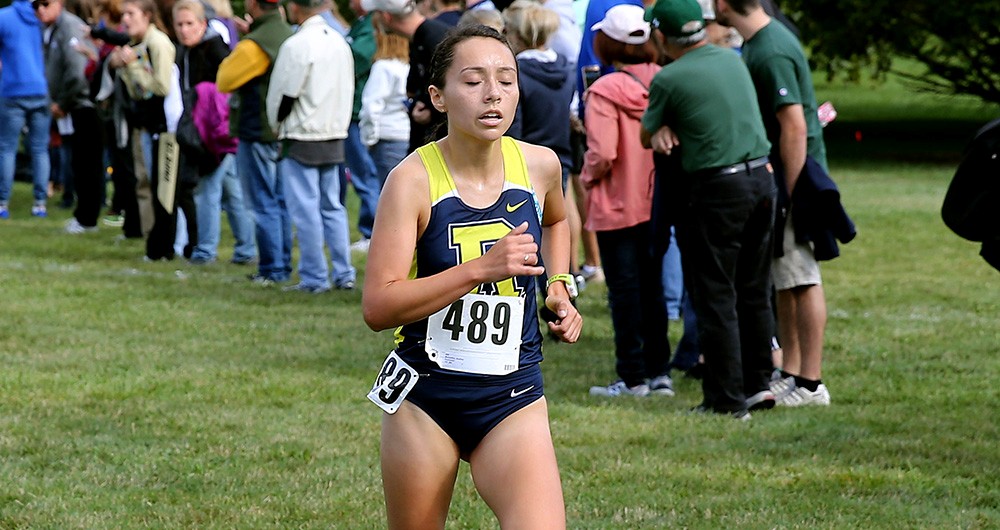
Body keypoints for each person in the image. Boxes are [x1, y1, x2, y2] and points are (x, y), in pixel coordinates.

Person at [361, 25, 582, 528]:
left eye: (506, 80)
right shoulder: (410, 181)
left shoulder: (541, 165)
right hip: (426, 396)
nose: (493, 94)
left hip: (514, 395)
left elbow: (558, 219)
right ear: (437, 97)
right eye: (474, 80)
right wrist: (480, 269)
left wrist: (559, 287)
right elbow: (378, 306)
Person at [640, 0, 776, 419]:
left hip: (718, 188)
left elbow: (647, 134)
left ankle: (726, 400)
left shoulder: (669, 78)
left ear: (661, 36)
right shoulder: (733, 60)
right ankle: (758, 385)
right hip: (762, 179)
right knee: (753, 291)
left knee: (715, 293)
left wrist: (662, 125)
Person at [715, 0, 832, 407]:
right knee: (783, 280)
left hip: (792, 180)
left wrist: (792, 193)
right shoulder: (760, 43)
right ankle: (793, 373)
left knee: (802, 277)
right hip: (779, 181)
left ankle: (812, 383)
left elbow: (795, 126)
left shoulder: (771, 49)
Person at [578, 4, 672, 397]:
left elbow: (603, 153)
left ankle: (632, 377)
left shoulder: (603, 89)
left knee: (625, 293)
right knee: (653, 289)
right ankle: (660, 373)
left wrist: (585, 177)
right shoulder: (667, 81)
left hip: (617, 204)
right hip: (657, 202)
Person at [266, 0, 357, 293]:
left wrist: (276, 123)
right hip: (333, 133)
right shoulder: (340, 42)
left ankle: (314, 276)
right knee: (332, 206)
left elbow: (285, 92)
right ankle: (344, 272)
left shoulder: (298, 44)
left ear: (295, 7)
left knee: (305, 210)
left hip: (302, 135)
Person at [217, 0, 294, 285]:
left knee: (263, 203)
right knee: (281, 203)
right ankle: (282, 264)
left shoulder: (255, 43)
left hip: (257, 129)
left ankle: (272, 269)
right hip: (281, 132)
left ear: (252, 4)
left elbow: (224, 79)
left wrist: (245, 40)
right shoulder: (287, 32)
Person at [173, 0, 256, 265]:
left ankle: (205, 250)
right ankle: (246, 248)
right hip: (209, 131)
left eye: (190, 24)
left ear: (203, 24)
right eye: (180, 25)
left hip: (215, 134)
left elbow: (228, 90)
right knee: (233, 192)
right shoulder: (186, 51)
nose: (185, 30)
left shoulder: (215, 49)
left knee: (208, 189)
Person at [109, 0, 176, 259]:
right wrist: (124, 68)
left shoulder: (157, 43)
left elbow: (161, 87)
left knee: (160, 186)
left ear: (147, 16)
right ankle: (151, 239)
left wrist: (133, 67)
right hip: (143, 124)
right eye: (123, 14)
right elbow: (138, 92)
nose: (125, 20)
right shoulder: (137, 45)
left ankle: (165, 243)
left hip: (161, 126)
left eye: (131, 14)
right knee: (143, 182)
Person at [37, 0, 106, 233]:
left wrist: (63, 103)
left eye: (44, 3)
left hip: (83, 105)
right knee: (78, 161)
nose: (40, 9)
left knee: (88, 163)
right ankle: (83, 214)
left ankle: (88, 218)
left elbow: (77, 71)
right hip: (71, 105)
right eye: (35, 5)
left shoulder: (69, 27)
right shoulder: (52, 28)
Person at [362, 0, 451, 154]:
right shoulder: (420, 39)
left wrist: (431, 109)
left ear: (386, 16)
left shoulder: (436, 40)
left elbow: (456, 87)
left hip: (442, 147)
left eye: (376, 14)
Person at [0, 0, 52, 220]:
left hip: (13, 89)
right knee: (40, 149)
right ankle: (40, 203)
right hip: (40, 89)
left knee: (7, 148)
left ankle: (3, 202)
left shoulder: (4, 17)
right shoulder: (41, 16)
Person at [344, 0, 381, 254]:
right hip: (354, 111)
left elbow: (356, 59)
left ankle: (372, 232)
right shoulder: (361, 25)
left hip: (359, 112)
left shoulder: (370, 27)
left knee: (366, 174)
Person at [359, 16, 410, 189]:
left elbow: (371, 106)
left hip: (386, 136)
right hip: (405, 133)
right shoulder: (406, 66)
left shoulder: (383, 67)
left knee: (389, 190)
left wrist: (369, 137)